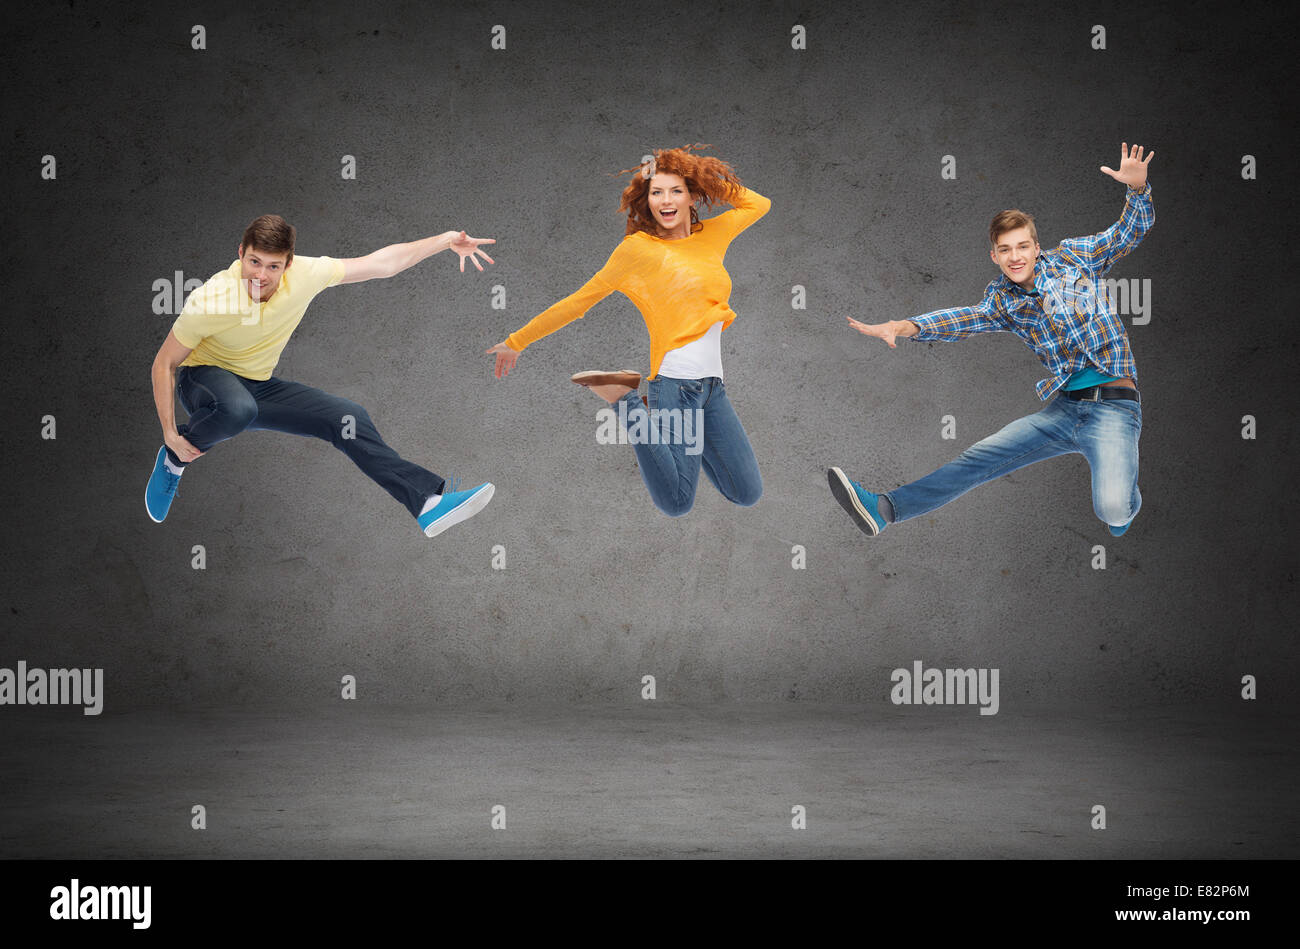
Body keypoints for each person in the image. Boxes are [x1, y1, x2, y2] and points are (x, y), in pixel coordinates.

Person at [830, 143, 1155, 538]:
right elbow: (964, 319)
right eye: (1005, 250)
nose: (1015, 257)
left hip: (1115, 409)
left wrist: (1137, 189)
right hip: (1065, 410)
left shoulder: (1073, 258)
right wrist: (903, 326)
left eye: (1022, 247)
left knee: (1113, 510)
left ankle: (1125, 506)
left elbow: (1126, 234)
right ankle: (884, 508)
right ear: (994, 256)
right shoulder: (1003, 300)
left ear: (1036, 248)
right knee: (978, 457)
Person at [146, 214, 496, 538]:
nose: (260, 276)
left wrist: (447, 239)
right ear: (241, 253)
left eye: (273, 266)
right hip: (203, 379)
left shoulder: (306, 274)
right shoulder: (211, 298)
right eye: (253, 262)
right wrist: (169, 433)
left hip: (257, 385)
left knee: (348, 418)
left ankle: (426, 504)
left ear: (289, 264)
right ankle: (175, 459)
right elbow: (164, 364)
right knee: (238, 409)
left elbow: (382, 264)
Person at [486, 145, 770, 517]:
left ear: (691, 195)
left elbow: (758, 205)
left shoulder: (710, 236)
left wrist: (698, 172)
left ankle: (667, 435)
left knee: (746, 492)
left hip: (712, 389)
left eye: (675, 190)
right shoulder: (637, 251)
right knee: (677, 502)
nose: (665, 201)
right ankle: (623, 399)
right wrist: (516, 341)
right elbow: (578, 301)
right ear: (646, 200)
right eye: (656, 192)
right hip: (676, 385)